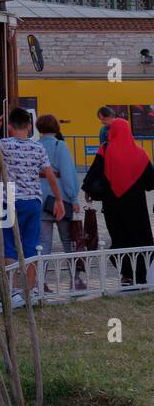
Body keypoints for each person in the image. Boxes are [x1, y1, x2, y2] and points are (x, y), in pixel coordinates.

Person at [0, 107, 64, 307]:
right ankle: (30, 290)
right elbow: (50, 175)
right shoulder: (38, 148)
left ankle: (12, 292)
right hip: (33, 203)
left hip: (9, 202)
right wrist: (58, 199)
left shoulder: (3, 145)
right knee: (31, 245)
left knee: (9, 246)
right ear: (29, 127)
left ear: (9, 128)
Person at [83, 118, 154, 285]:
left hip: (112, 205)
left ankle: (127, 275)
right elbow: (151, 183)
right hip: (137, 206)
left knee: (119, 239)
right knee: (140, 238)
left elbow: (93, 175)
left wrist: (88, 192)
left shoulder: (105, 150)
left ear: (112, 132)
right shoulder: (141, 153)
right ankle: (142, 276)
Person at [35, 115, 85, 291]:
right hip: (60, 199)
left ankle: (40, 282)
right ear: (56, 128)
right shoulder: (60, 146)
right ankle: (75, 279)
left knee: (43, 244)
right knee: (68, 240)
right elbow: (68, 174)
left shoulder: (35, 145)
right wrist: (74, 199)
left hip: (40, 199)